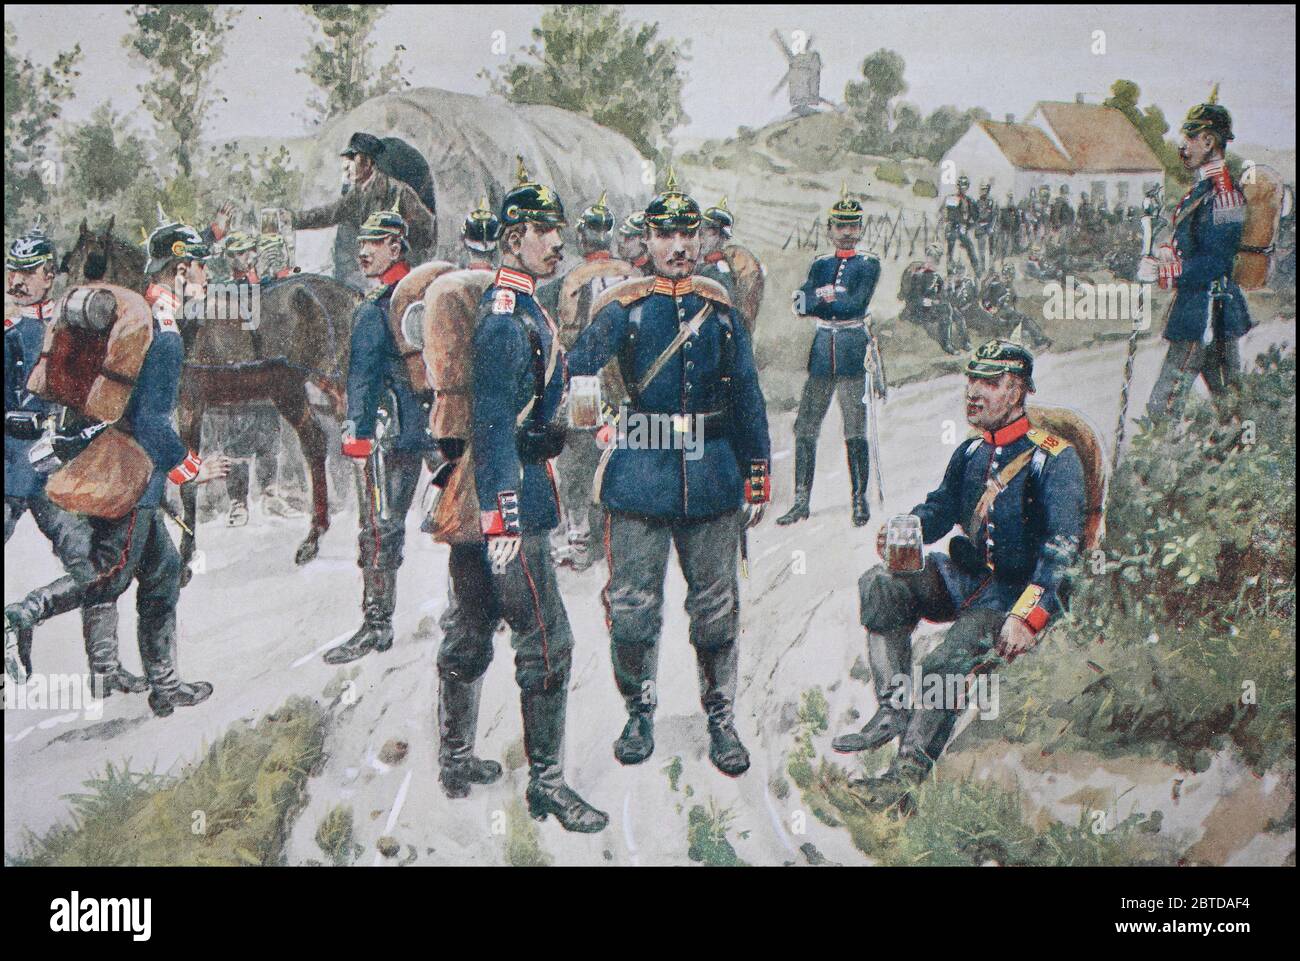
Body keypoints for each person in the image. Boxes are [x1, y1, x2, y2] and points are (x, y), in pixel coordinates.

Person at [568, 171, 771, 776]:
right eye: (666, 236)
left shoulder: (720, 311)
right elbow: (578, 366)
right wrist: (592, 419)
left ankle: (720, 718)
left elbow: (750, 399)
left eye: (687, 235)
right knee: (632, 606)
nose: (679, 247)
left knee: (715, 607)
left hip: (711, 477)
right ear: (647, 243)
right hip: (640, 477)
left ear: (700, 241)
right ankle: (639, 711)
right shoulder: (623, 310)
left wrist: (755, 474)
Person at [835, 340, 1085, 812]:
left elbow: (1062, 552)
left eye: (989, 383)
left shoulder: (1053, 458)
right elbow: (941, 508)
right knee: (881, 583)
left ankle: (902, 783)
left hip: (1011, 596)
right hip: (966, 580)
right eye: (971, 380)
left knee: (945, 662)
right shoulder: (971, 451)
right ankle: (892, 708)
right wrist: (905, 529)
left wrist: (1028, 617)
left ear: (1016, 391)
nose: (974, 392)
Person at [436, 161, 608, 832]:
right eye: (541, 231)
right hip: (512, 503)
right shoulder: (507, 320)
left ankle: (453, 761)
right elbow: (490, 422)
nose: (555, 242)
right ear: (511, 242)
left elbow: (528, 409)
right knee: (547, 642)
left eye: (557, 230)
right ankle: (547, 785)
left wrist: (567, 421)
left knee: (472, 626)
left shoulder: (523, 306)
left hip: (482, 504)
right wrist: (505, 516)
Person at [7, 220, 232, 714]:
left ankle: (166, 687)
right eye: (201, 268)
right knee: (107, 575)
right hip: (130, 471)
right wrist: (191, 469)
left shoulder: (138, 314)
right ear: (180, 268)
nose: (207, 278)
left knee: (163, 571)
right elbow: (151, 421)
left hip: (128, 466)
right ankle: (22, 615)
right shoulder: (164, 331)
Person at [2, 227, 139, 692]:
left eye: (27, 272)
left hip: (56, 461)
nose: (16, 281)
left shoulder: (75, 326)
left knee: (90, 565)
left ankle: (104, 670)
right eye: (12, 270)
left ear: (48, 275)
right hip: (6, 460)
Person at [322, 207, 435, 665]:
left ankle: (376, 625)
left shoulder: (373, 309)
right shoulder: (431, 295)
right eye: (361, 243)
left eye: (376, 242)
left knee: (378, 528)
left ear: (396, 248)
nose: (364, 251)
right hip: (437, 424)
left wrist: (358, 432)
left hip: (392, 435)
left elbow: (363, 379)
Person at [1143, 88, 1251, 421]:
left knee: (1163, 408)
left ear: (1207, 142)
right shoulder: (1202, 188)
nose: (1182, 146)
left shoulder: (1224, 195)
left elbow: (1217, 261)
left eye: (1189, 137)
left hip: (1207, 314)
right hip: (1201, 312)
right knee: (1231, 406)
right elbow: (1188, 239)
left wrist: (1165, 273)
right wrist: (1165, 252)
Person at [777, 184, 879, 527]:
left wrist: (824, 297)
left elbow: (856, 303)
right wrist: (829, 296)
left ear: (860, 229)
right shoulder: (820, 264)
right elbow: (802, 305)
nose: (847, 232)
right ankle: (801, 501)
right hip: (822, 353)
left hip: (851, 350)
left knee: (854, 430)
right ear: (830, 229)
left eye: (853, 226)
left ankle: (858, 500)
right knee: (805, 427)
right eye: (840, 226)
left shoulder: (868, 264)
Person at [290, 132, 436, 282]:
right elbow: (329, 214)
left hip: (396, 275)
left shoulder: (398, 191)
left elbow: (426, 224)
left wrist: (406, 259)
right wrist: (291, 220)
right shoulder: (357, 193)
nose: (346, 165)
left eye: (353, 158)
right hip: (370, 272)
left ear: (368, 162)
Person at [942, 175, 980, 275]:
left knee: (970, 248)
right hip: (953, 228)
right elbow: (946, 214)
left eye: (964, 186)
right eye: (960, 186)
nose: (962, 188)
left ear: (967, 187)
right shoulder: (951, 198)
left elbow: (976, 216)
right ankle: (949, 271)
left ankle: (977, 271)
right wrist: (947, 224)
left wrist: (969, 226)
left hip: (963, 228)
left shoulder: (970, 201)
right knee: (950, 250)